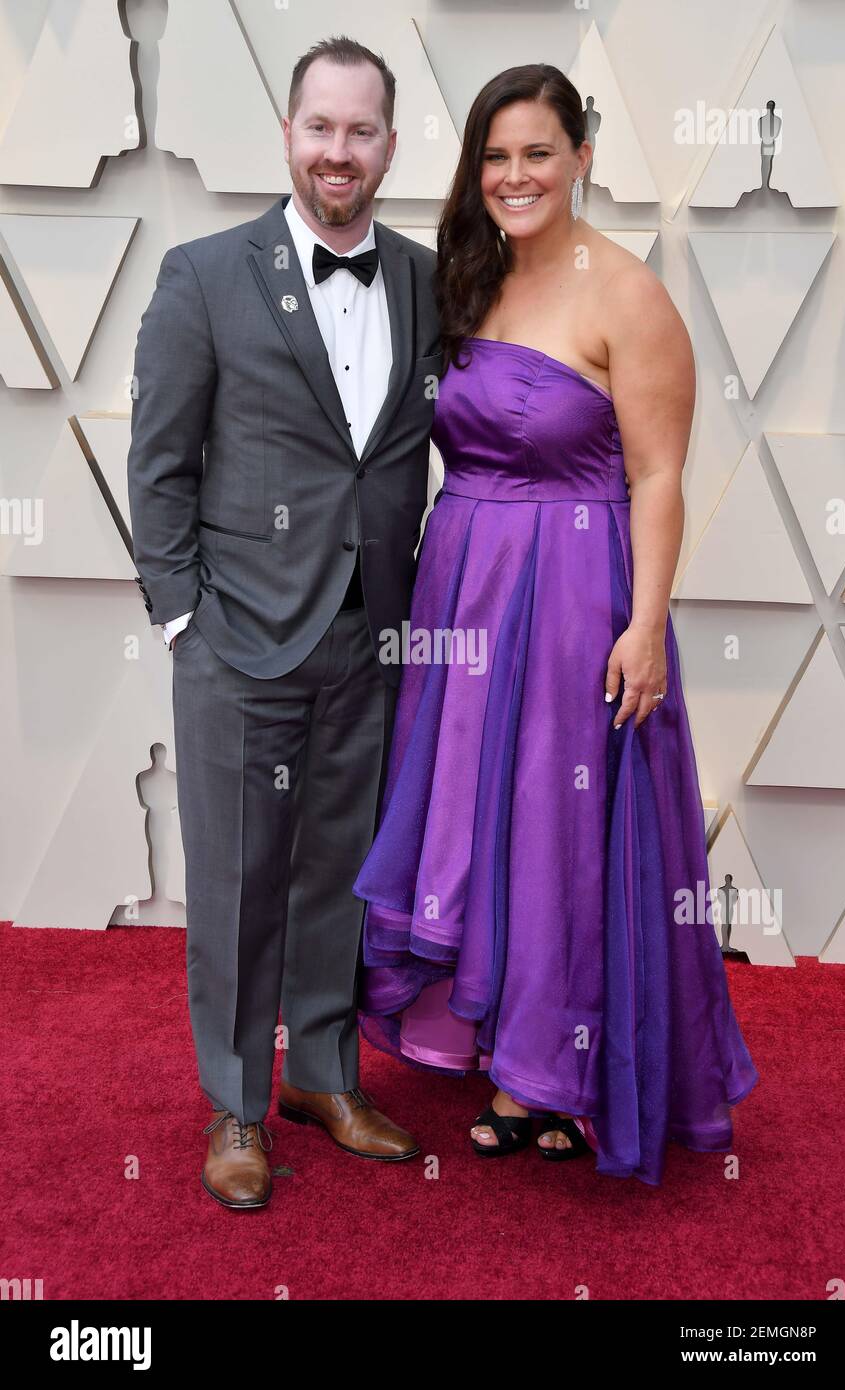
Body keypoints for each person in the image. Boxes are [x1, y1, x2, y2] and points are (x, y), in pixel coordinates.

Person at [352, 63, 758, 1186]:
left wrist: (646, 623)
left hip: (579, 600)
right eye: (494, 155)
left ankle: (567, 1076)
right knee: (483, 826)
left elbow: (661, 474)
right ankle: (514, 1055)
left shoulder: (625, 291)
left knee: (562, 831)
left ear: (581, 157)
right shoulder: (467, 281)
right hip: (464, 590)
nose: (514, 174)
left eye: (537, 152)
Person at [127, 36, 442, 1208]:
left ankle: (321, 1072)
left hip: (371, 639)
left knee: (339, 876)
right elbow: (156, 465)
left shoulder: (421, 280)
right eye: (321, 128)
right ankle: (234, 1106)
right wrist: (181, 624)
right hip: (237, 644)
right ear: (288, 134)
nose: (339, 152)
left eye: (362, 132)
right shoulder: (204, 275)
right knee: (237, 883)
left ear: (390, 147)